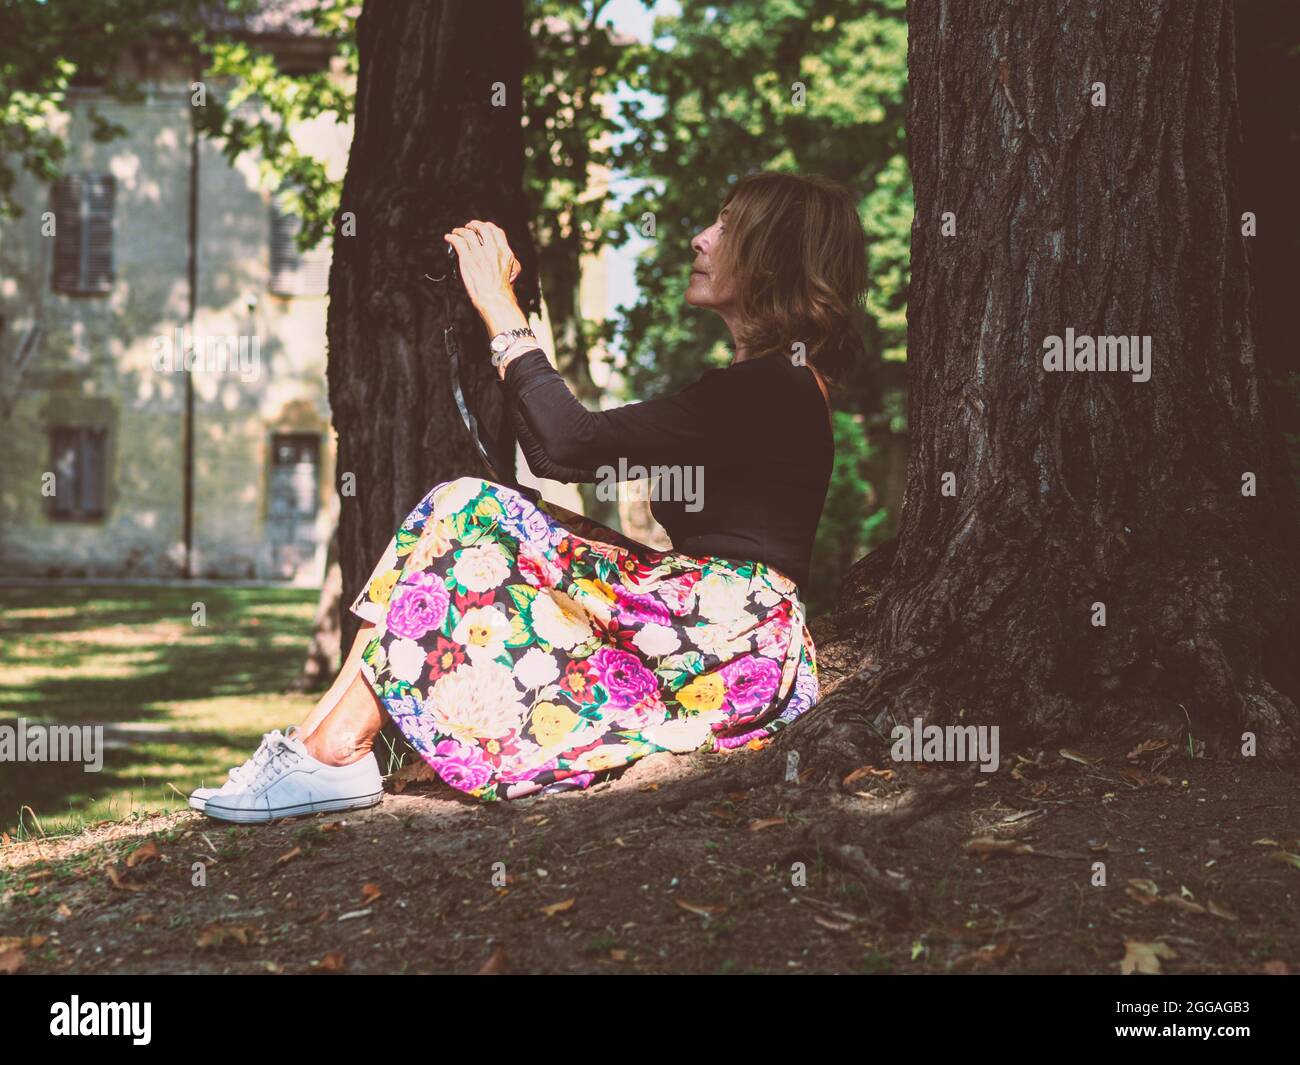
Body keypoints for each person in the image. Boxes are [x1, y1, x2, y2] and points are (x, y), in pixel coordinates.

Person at [191, 170, 867, 823]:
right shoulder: (759, 386)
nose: (700, 239)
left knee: (466, 507)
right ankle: (316, 742)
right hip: (707, 622)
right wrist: (495, 325)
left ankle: (336, 749)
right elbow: (553, 454)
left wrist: (501, 308)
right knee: (455, 511)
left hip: (726, 634)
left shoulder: (772, 389)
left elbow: (571, 443)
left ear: (773, 262)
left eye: (725, 228)